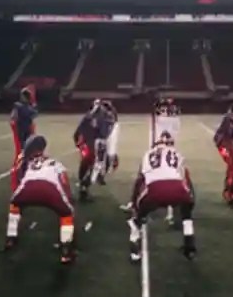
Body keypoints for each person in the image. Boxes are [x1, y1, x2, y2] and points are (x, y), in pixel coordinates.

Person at [3, 135, 78, 264]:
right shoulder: (55, 163)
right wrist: (69, 198)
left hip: (27, 188)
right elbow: (64, 181)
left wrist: (17, 194)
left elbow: (16, 176)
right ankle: (66, 250)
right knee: (67, 214)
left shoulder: (26, 161)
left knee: (14, 205)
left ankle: (11, 237)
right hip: (50, 190)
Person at [128, 131, 196, 261]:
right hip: (178, 189)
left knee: (138, 216)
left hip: (156, 190)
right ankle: (190, 246)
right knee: (186, 215)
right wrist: (190, 199)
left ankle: (134, 248)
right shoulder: (177, 154)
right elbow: (186, 178)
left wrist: (134, 202)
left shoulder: (148, 154)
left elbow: (139, 181)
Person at [73, 100, 114, 200]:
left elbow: (77, 132)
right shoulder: (105, 118)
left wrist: (78, 143)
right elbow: (104, 134)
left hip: (86, 145)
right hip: (96, 146)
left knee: (85, 164)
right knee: (94, 167)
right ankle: (84, 188)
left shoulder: (87, 117)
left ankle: (83, 185)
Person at [9, 85, 38, 183]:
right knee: (23, 153)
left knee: (28, 153)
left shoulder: (26, 107)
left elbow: (34, 114)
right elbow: (13, 118)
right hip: (22, 132)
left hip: (27, 132)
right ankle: (20, 173)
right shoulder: (19, 106)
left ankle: (24, 171)